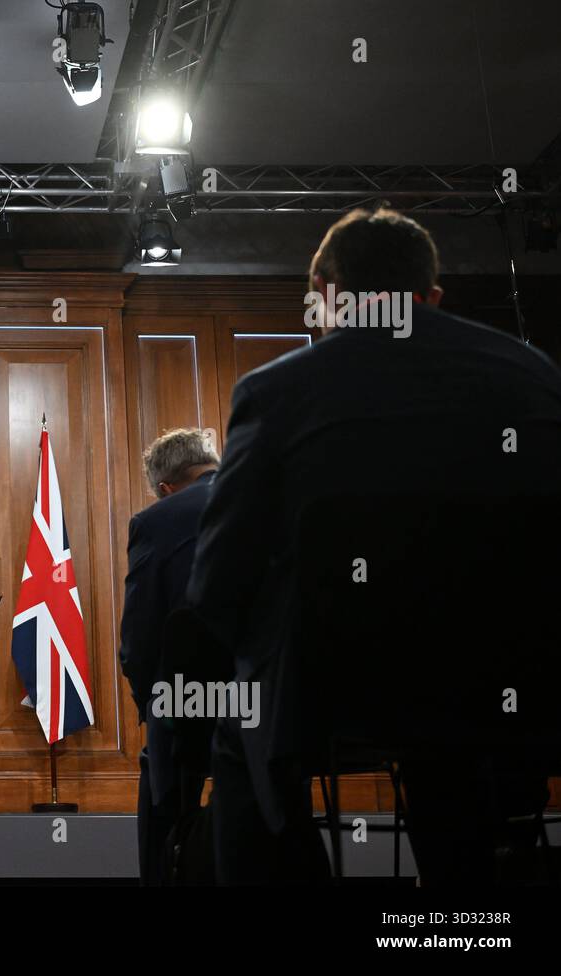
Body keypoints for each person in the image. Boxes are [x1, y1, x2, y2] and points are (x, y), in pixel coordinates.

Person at [186, 207, 561, 884]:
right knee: (454, 742)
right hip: (510, 681)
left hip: (336, 688)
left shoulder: (277, 391)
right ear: (433, 296)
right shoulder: (536, 377)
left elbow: (217, 580)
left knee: (237, 729)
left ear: (326, 294)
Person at [119, 428, 219, 886]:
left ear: (166, 488)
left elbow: (140, 636)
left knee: (159, 764)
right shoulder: (276, 497)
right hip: (287, 713)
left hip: (195, 705)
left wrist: (149, 700)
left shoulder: (159, 520)